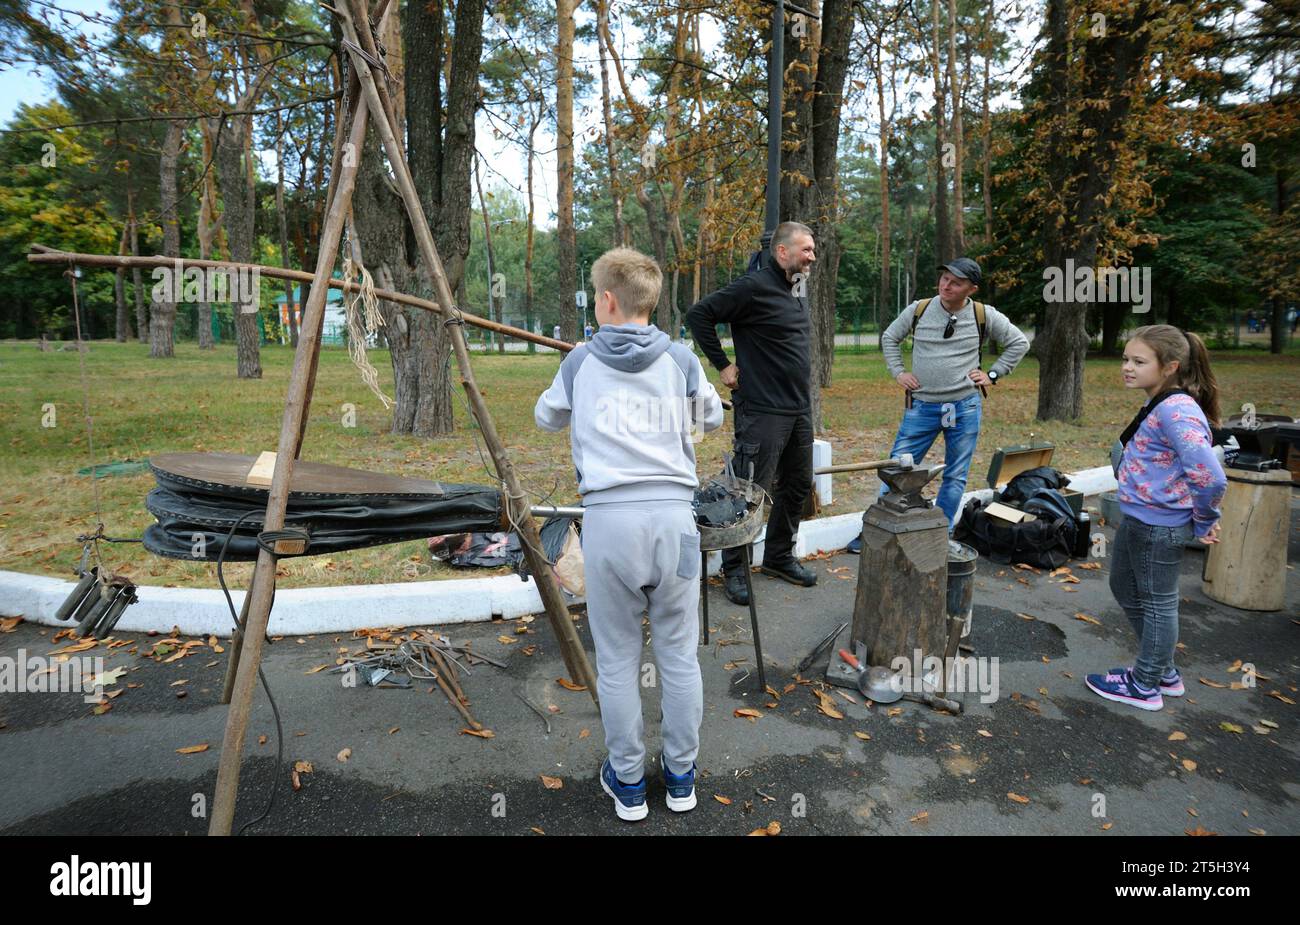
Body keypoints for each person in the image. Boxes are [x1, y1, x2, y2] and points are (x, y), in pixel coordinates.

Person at [535, 247, 724, 821]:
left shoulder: (579, 362)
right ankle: (682, 777)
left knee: (617, 661)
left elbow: (547, 417)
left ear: (608, 301)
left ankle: (628, 785)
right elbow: (712, 417)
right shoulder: (682, 359)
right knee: (679, 656)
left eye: (596, 297)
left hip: (610, 523)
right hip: (674, 522)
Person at [1086, 325, 1226, 712]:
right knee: (1124, 587)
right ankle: (1160, 669)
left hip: (1158, 524)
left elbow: (1209, 475)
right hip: (1139, 516)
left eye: (1138, 361)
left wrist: (1204, 518)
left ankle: (1147, 683)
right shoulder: (1160, 402)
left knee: (1158, 603)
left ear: (1170, 366)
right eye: (1125, 359)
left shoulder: (1177, 410)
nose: (1126, 368)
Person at [850, 258, 1028, 552]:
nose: (946, 285)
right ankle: (874, 534)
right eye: (944, 278)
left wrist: (992, 374)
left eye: (955, 282)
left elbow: (1019, 342)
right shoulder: (919, 309)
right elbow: (890, 337)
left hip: (965, 407)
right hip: (922, 407)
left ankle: (938, 536)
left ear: (971, 289)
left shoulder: (984, 314)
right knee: (896, 470)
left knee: (955, 474)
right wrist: (899, 372)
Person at [686, 221, 818, 606]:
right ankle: (735, 570)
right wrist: (724, 365)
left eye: (812, 249)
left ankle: (778, 557)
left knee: (796, 485)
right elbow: (699, 315)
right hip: (762, 410)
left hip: (797, 409)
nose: (812, 256)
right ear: (782, 252)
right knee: (748, 492)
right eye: (805, 249)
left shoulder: (796, 287)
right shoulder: (753, 287)